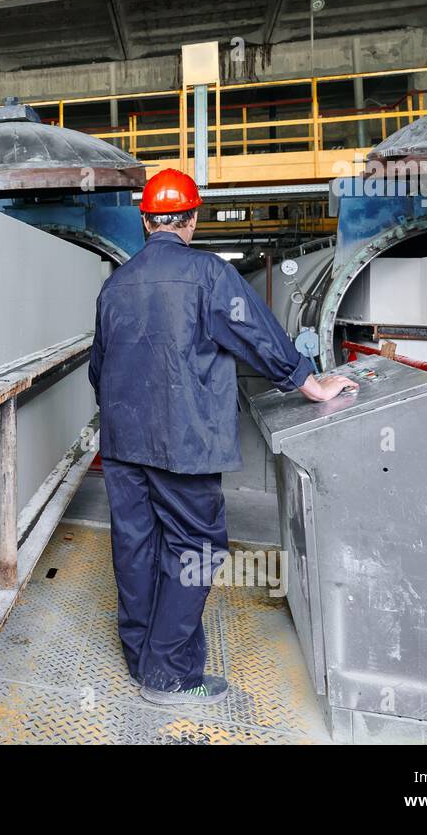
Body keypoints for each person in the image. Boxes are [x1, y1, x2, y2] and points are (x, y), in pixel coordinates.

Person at [88, 168, 357, 706]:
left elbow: (99, 368)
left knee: (136, 546)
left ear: (145, 221)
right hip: (182, 443)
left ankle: (143, 655)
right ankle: (166, 675)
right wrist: (309, 381)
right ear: (190, 219)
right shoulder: (208, 274)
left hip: (122, 441)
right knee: (196, 549)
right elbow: (255, 332)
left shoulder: (115, 284)